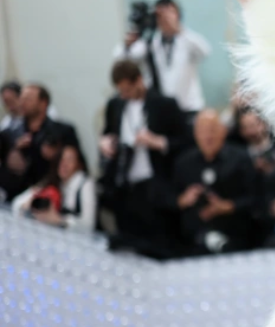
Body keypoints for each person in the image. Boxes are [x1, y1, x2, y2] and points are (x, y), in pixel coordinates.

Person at [100, 60, 188, 257]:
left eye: (127, 90)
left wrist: (158, 142)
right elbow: (107, 133)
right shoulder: (115, 104)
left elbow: (186, 141)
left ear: (139, 80)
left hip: (155, 185)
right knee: (127, 245)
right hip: (124, 183)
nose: (124, 95)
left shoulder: (165, 104)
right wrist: (105, 142)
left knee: (156, 246)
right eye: (120, 91)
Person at [172, 110, 260, 255]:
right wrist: (184, 199)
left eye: (212, 130)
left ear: (223, 131)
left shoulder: (241, 158)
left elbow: (257, 198)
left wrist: (227, 206)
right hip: (194, 242)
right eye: (202, 131)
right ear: (195, 133)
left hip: (237, 236)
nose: (208, 136)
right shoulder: (183, 163)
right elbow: (170, 200)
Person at [118, 0, 210, 118]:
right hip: (162, 111)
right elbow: (124, 59)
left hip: (189, 108)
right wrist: (129, 43)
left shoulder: (186, 39)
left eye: (170, 12)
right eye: (161, 14)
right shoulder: (150, 42)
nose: (165, 18)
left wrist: (178, 29)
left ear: (178, 14)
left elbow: (205, 51)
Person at [0, 84, 80, 201]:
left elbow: (78, 167)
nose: (23, 103)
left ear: (43, 103)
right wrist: (13, 153)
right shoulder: (8, 134)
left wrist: (57, 156)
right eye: (21, 99)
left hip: (49, 199)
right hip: (13, 199)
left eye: (28, 99)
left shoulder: (63, 132)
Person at [12, 144, 96, 233]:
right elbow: (16, 204)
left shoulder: (84, 184)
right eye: (61, 159)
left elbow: (89, 226)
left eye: (70, 160)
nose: (64, 164)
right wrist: (29, 205)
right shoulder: (50, 181)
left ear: (79, 165)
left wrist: (60, 221)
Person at [237, 108, 275, 177]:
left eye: (254, 125)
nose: (253, 131)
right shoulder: (241, 158)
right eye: (247, 127)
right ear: (241, 131)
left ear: (264, 123)